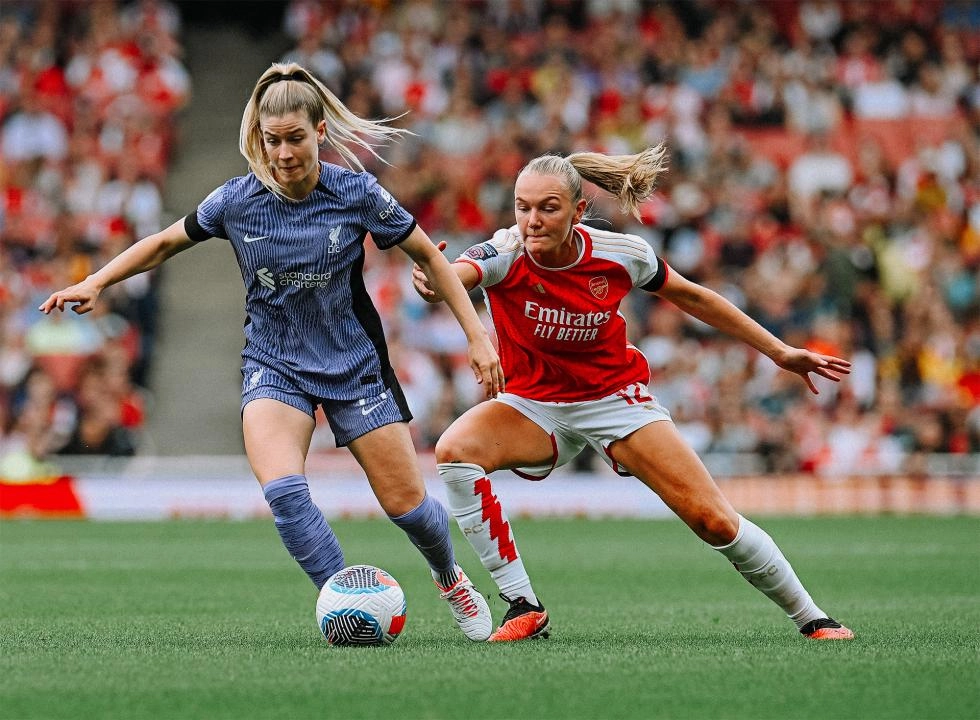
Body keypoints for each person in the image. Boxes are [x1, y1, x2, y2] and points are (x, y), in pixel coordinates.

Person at [40, 62, 503, 642]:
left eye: (295, 139)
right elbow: (162, 243)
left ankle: (449, 576)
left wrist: (477, 336)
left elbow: (430, 257)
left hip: (354, 367)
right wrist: (97, 281)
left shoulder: (356, 193)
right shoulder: (236, 200)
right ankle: (350, 603)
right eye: (271, 140)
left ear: (320, 134)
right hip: (274, 365)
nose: (283, 153)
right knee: (285, 494)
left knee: (407, 507)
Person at [412, 147, 855, 642]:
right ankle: (523, 604)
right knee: (454, 452)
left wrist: (779, 352)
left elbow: (694, 297)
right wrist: (437, 283)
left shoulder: (622, 253)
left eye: (547, 208)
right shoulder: (505, 251)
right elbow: (456, 274)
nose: (531, 221)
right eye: (522, 206)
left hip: (613, 401)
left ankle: (813, 618)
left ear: (579, 211)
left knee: (712, 520)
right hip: (533, 405)